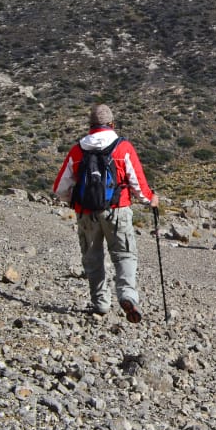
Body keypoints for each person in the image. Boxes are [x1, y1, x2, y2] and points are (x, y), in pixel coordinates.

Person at [52, 103, 158, 322]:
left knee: (93, 258)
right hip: (117, 211)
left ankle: (100, 303)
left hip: (86, 213)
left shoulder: (78, 150)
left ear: (91, 126)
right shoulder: (122, 148)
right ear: (112, 124)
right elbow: (137, 184)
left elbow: (59, 189)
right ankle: (127, 296)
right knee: (124, 255)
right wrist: (151, 200)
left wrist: (74, 200)